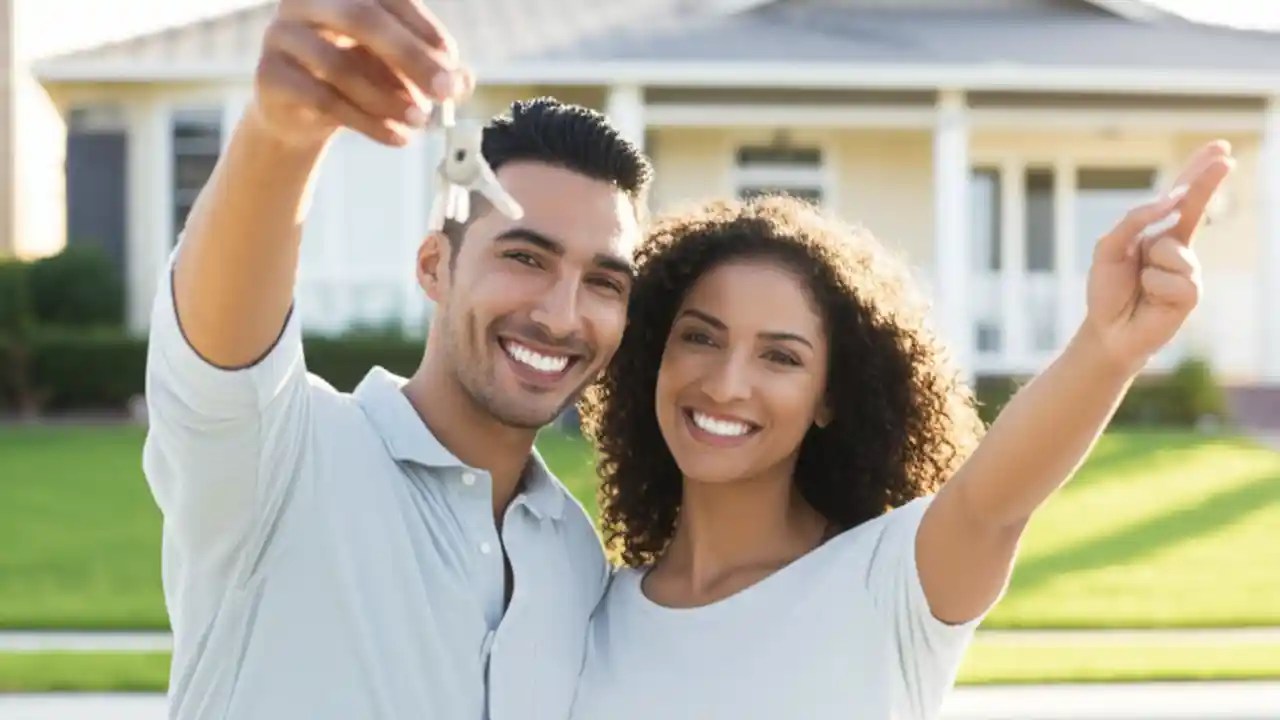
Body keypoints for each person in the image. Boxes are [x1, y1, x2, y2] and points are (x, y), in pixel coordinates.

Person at [571, 143, 1233, 719]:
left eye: (781, 356)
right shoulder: (592, 617)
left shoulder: (889, 583)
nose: (727, 382)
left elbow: (991, 505)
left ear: (828, 398)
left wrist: (1109, 348)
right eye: (700, 338)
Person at [140, 0, 652, 717]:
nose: (561, 315)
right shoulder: (286, 457)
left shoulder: (572, 552)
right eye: (525, 257)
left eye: (602, 281)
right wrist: (281, 136)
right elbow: (214, 351)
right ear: (433, 266)